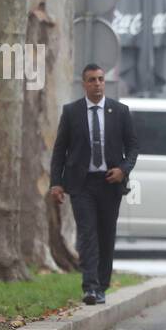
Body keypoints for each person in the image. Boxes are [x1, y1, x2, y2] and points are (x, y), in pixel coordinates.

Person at [49, 64, 139, 305]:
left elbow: (132, 147)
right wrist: (56, 183)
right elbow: (59, 152)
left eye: (100, 79)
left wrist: (123, 169)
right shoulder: (71, 112)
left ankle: (102, 285)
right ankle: (90, 287)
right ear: (84, 84)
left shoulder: (119, 111)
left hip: (110, 184)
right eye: (92, 80)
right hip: (82, 185)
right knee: (87, 234)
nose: (97, 84)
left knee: (106, 234)